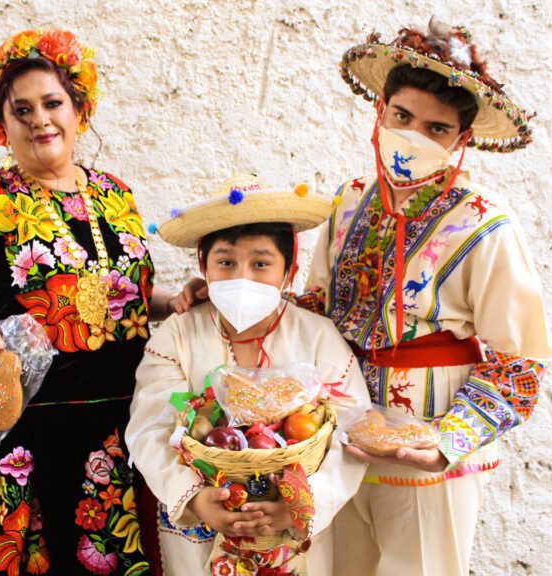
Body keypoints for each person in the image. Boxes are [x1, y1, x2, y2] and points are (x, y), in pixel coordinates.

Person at [173, 20, 552, 576]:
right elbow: (318, 312)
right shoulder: (351, 201)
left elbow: (522, 361)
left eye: (437, 128)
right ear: (380, 110)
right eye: (402, 117)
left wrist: (448, 439)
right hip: (335, 442)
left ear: (462, 140)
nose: (413, 136)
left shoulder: (487, 226)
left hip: (430, 444)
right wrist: (229, 293)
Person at [0, 27, 172, 576]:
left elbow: (117, 299)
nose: (40, 119)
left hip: (112, 435)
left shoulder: (115, 196)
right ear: (3, 122)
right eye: (22, 109)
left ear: (79, 109)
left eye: (52, 103)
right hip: (13, 444)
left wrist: (174, 302)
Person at [127, 174, 372, 575]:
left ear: (288, 272)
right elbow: (149, 428)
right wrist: (193, 499)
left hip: (293, 534)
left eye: (261, 263)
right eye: (226, 263)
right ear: (203, 267)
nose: (242, 278)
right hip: (201, 535)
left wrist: (304, 503)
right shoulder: (178, 334)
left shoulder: (317, 336)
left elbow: (351, 433)